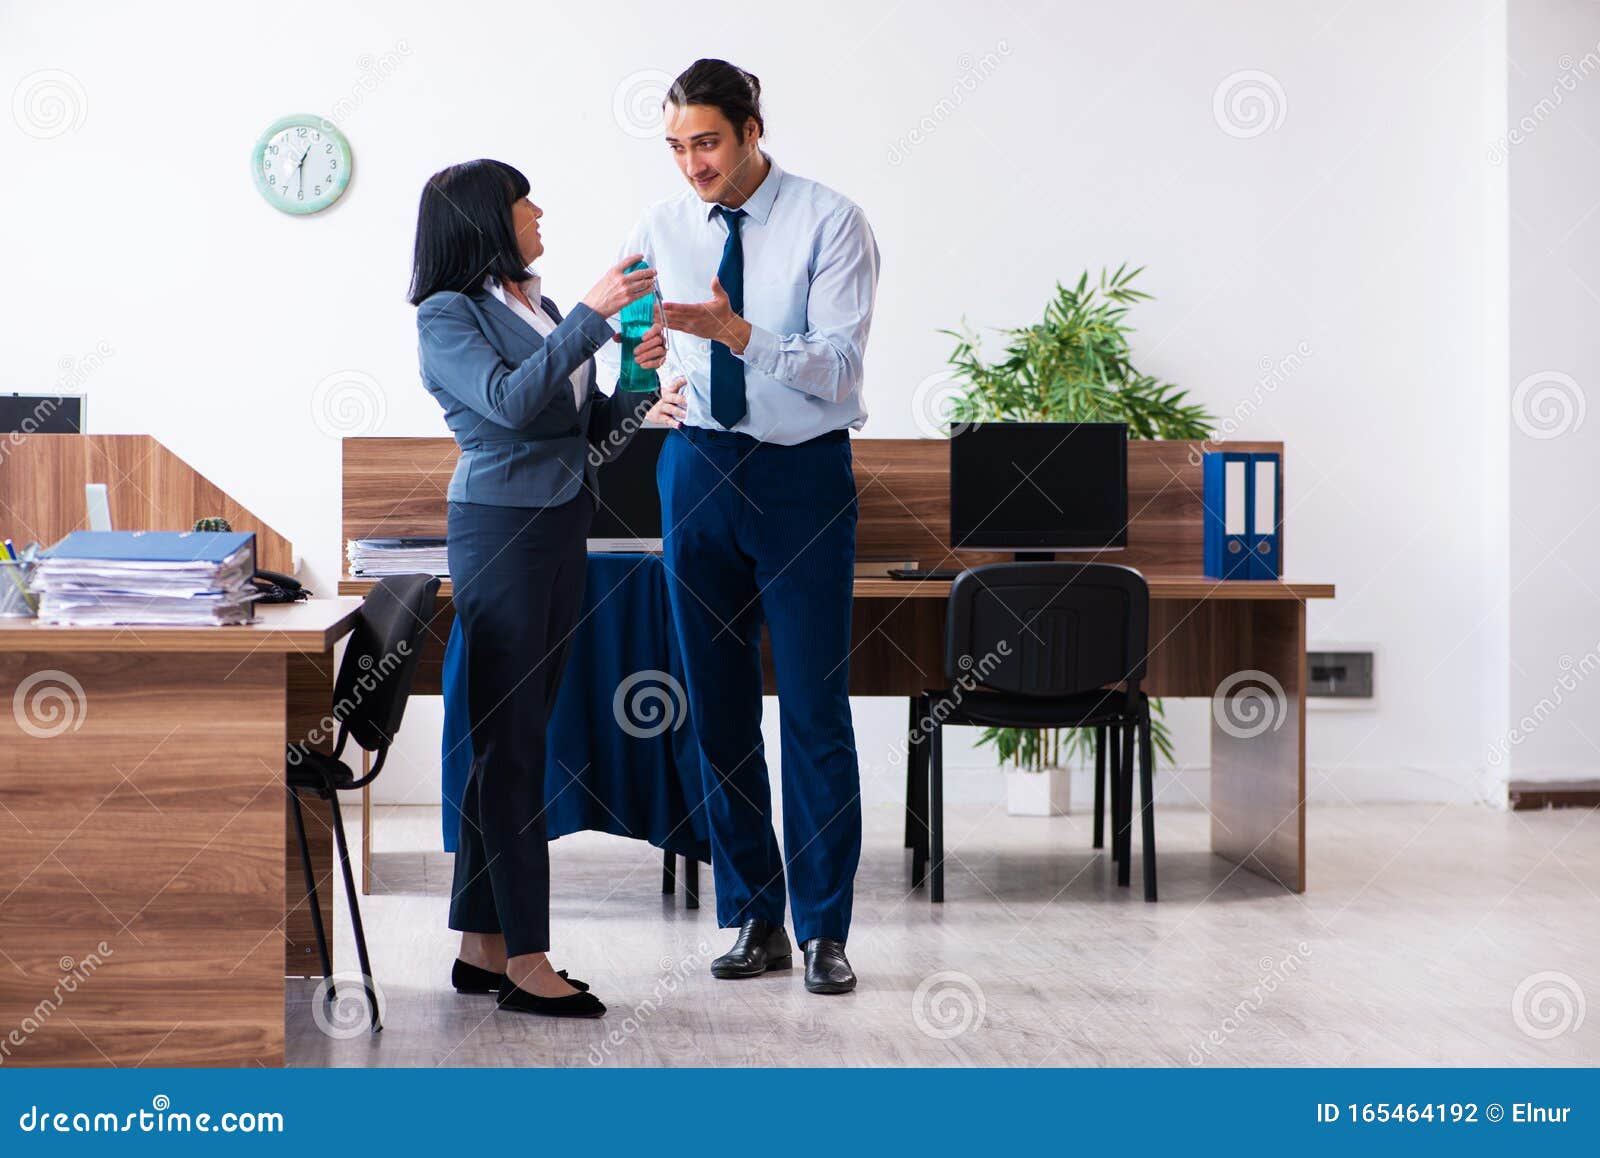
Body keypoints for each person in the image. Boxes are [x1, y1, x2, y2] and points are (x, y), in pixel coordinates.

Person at [622, 59, 880, 995]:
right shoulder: (660, 226)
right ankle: (753, 916)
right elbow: (636, 351)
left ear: (752, 129)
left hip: (802, 476)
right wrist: (648, 365)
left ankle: (824, 931)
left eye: (708, 143)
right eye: (678, 147)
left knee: (814, 708)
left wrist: (741, 337)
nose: (693, 165)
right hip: (696, 471)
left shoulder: (831, 220)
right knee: (718, 705)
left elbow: (841, 372)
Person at [410, 158, 679, 1018]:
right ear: (489, 215)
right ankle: (527, 958)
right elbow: (510, 405)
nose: (538, 211)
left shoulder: (544, 307)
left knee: (514, 741)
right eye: (525, 199)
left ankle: (480, 947)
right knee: (516, 748)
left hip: (562, 525)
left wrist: (641, 377)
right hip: (501, 531)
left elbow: (585, 427)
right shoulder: (447, 315)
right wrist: (596, 319)